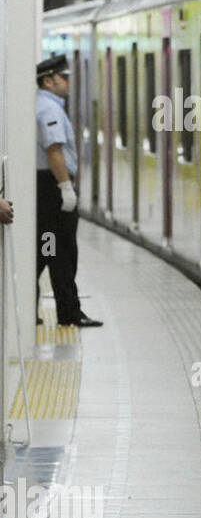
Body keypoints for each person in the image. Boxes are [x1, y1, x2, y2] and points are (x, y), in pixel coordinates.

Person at [35, 54, 101, 328]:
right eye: (64, 78)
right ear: (48, 80)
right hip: (52, 190)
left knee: (51, 251)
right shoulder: (49, 109)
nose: (68, 82)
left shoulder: (45, 105)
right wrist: (65, 188)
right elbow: (54, 150)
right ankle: (69, 313)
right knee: (56, 249)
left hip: (48, 190)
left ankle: (66, 311)